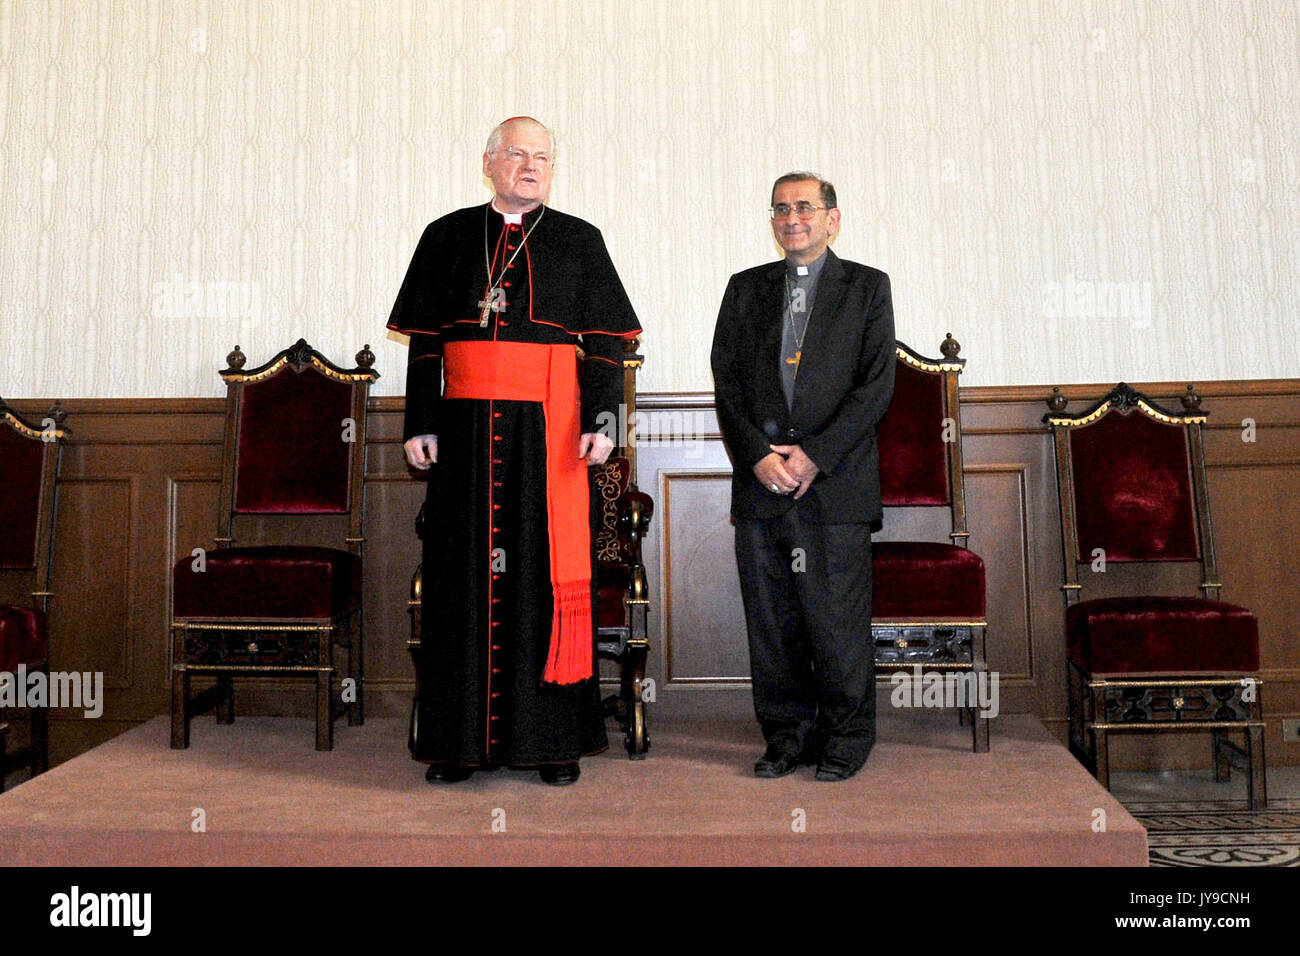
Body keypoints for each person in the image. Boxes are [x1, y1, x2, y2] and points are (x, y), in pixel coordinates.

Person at [387, 116, 641, 786]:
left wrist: (605, 422)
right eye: (518, 154)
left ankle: (551, 743)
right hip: (464, 433)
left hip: (550, 437)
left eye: (543, 157)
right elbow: (426, 344)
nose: (531, 165)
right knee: (460, 579)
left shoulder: (578, 240)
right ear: (489, 162)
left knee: (541, 578)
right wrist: (419, 423)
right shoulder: (445, 236)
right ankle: (457, 743)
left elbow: (608, 345)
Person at [710, 172, 895, 781]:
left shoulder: (867, 288)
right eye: (782, 208)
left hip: (834, 484)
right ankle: (787, 736)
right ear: (772, 220)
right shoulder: (745, 290)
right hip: (761, 482)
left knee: (835, 621)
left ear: (832, 218)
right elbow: (727, 381)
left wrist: (812, 455)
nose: (793, 217)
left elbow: (874, 389)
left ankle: (846, 739)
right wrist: (760, 455)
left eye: (806, 207)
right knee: (773, 622)